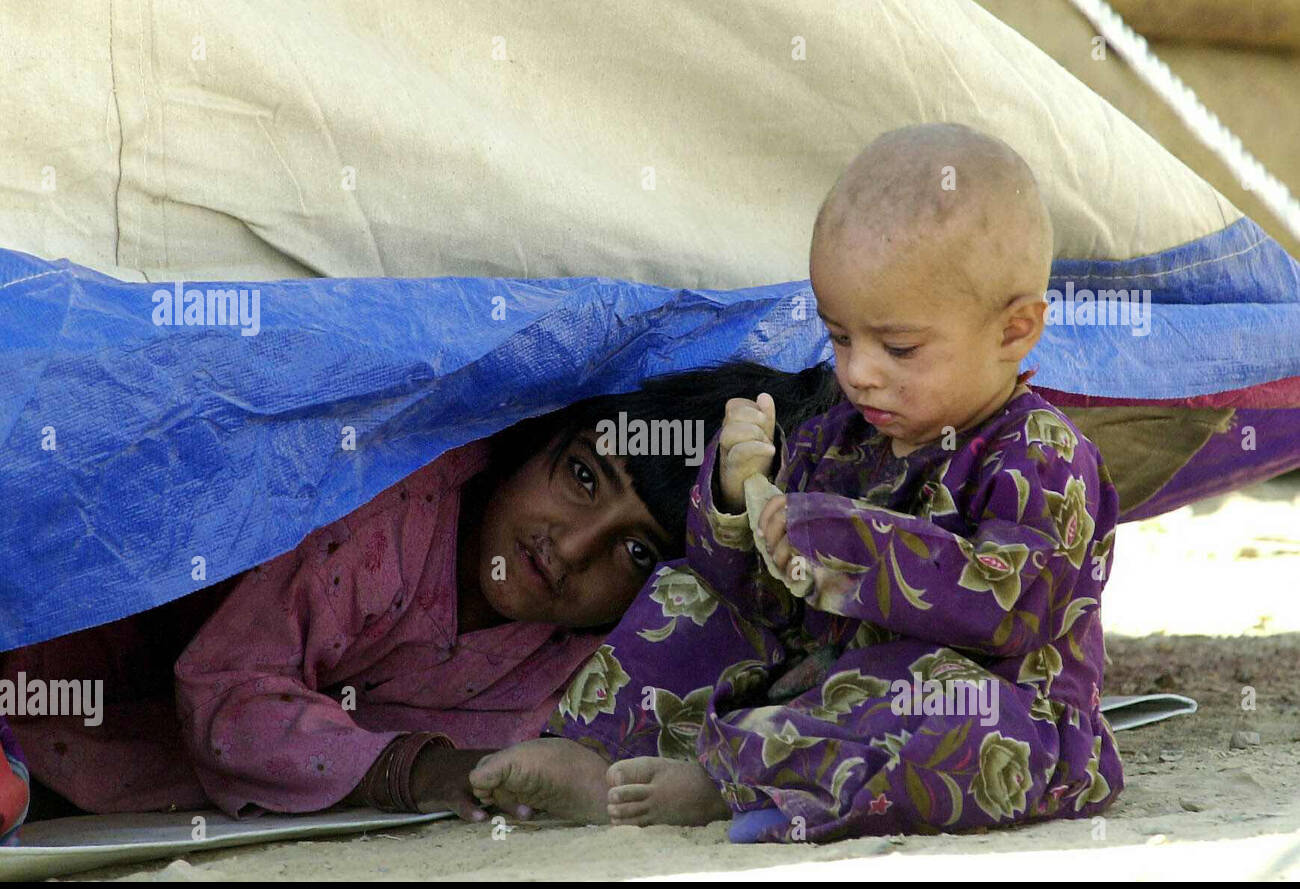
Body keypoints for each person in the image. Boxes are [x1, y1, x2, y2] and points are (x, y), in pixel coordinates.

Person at [470, 122, 1124, 843]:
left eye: (898, 346)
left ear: (1014, 331)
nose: (859, 371)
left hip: (989, 703)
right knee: (685, 593)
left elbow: (1009, 605)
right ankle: (597, 751)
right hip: (821, 678)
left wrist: (844, 542)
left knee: (953, 709)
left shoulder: (1042, 457)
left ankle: (726, 784)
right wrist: (734, 501)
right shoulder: (838, 434)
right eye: (840, 336)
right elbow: (765, 598)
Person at [0, 361, 838, 826]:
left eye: (631, 548)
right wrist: (431, 774)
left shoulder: (570, 652)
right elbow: (228, 693)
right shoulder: (391, 515)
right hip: (44, 669)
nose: (568, 549)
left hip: (94, 789)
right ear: (535, 437)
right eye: (581, 476)